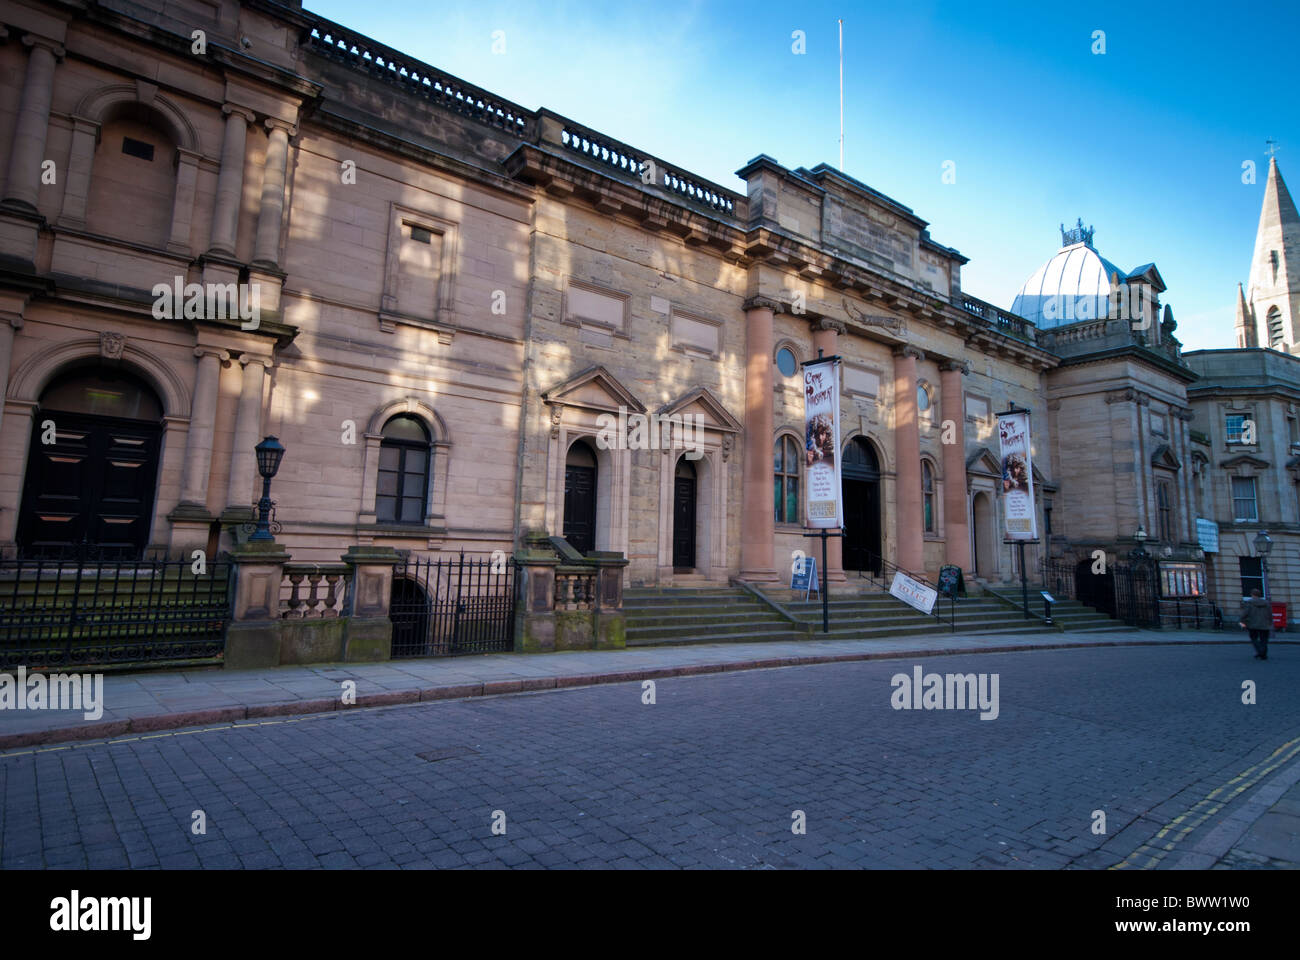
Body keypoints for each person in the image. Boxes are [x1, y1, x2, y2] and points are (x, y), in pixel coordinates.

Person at [1237, 588, 1273, 660]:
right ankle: (1263, 654)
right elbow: (1270, 614)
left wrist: (1241, 622)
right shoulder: (1266, 603)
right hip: (1265, 624)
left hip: (1253, 624)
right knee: (1264, 640)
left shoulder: (1249, 603)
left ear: (1252, 594)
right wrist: (1270, 622)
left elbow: (1244, 614)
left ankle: (1260, 651)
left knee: (1254, 639)